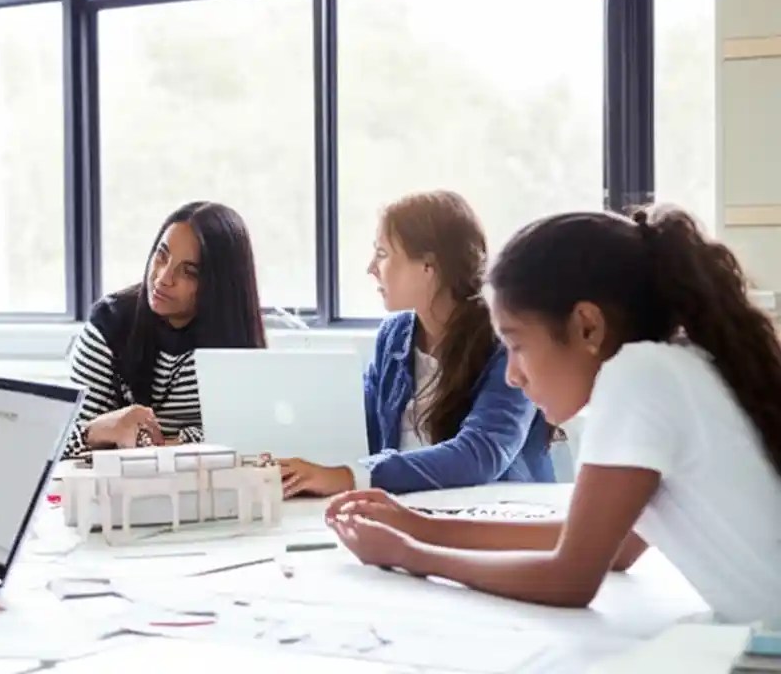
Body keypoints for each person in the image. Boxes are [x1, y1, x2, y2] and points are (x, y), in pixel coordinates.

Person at [326, 205, 781, 624]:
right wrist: (421, 526)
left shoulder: (639, 379)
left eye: (517, 345)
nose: (512, 376)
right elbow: (616, 549)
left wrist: (412, 554)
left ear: (588, 326)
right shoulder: (677, 367)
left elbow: (570, 577)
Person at [280, 191, 554, 497]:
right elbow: (362, 429)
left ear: (428, 266)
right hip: (408, 511)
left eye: (382, 254)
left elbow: (481, 452)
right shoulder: (394, 336)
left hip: (495, 516)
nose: (371, 268)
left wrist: (348, 476)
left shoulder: (507, 342)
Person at [64, 201, 266, 456]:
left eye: (188, 272)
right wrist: (98, 431)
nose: (163, 278)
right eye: (161, 256)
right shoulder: (109, 325)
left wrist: (171, 443)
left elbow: (249, 435)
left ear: (219, 285)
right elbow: (61, 444)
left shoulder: (235, 338)